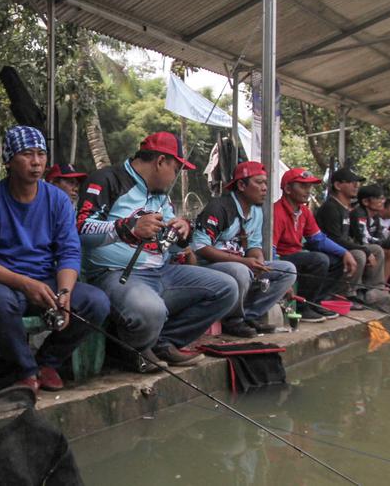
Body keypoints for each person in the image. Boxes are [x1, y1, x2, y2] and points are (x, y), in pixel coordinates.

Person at [78, 132, 238, 371]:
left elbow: (168, 243)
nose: (176, 176)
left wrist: (181, 233)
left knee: (227, 288)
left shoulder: (161, 196)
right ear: (160, 161)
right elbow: (80, 229)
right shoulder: (107, 179)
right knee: (150, 310)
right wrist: (127, 227)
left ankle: (162, 343)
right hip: (115, 274)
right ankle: (130, 350)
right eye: (176, 169)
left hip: (162, 272)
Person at [0, 127, 109, 393]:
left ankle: (47, 362)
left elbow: (69, 251)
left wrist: (65, 292)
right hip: (6, 284)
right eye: (27, 154)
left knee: (96, 302)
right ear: (8, 160)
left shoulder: (58, 200)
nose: (36, 162)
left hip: (47, 282)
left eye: (41, 154)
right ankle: (25, 370)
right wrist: (24, 284)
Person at [190, 161, 297, 337]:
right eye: (259, 182)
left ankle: (249, 316)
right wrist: (244, 262)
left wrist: (259, 262)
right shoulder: (219, 207)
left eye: (266, 183)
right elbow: (200, 247)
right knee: (240, 270)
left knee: (288, 271)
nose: (264, 188)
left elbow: (254, 245)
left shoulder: (256, 211)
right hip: (208, 267)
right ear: (241, 185)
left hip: (240, 265)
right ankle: (232, 320)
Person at [271, 168, 346, 323]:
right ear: (287, 189)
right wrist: (277, 274)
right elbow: (270, 249)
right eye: (303, 186)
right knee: (319, 259)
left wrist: (345, 253)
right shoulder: (276, 212)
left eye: (309, 187)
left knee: (338, 260)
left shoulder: (304, 211)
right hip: (282, 258)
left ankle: (314, 302)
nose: (308, 191)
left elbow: (318, 238)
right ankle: (302, 307)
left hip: (297, 256)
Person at [314, 167, 385, 301]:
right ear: (338, 185)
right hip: (328, 249)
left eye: (357, 183)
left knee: (376, 250)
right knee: (359, 254)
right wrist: (362, 249)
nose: (356, 185)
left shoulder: (346, 208)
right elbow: (334, 239)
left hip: (342, 246)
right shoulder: (331, 207)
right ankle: (346, 293)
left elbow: (352, 237)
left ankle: (372, 289)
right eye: (352, 182)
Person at [351, 184, 390, 290]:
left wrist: (389, 243)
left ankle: (379, 285)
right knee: (377, 249)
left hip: (363, 245)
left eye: (382, 198)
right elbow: (364, 239)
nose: (382, 201)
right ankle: (370, 287)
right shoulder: (358, 214)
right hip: (354, 245)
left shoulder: (375, 217)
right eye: (378, 198)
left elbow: (379, 237)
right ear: (366, 202)